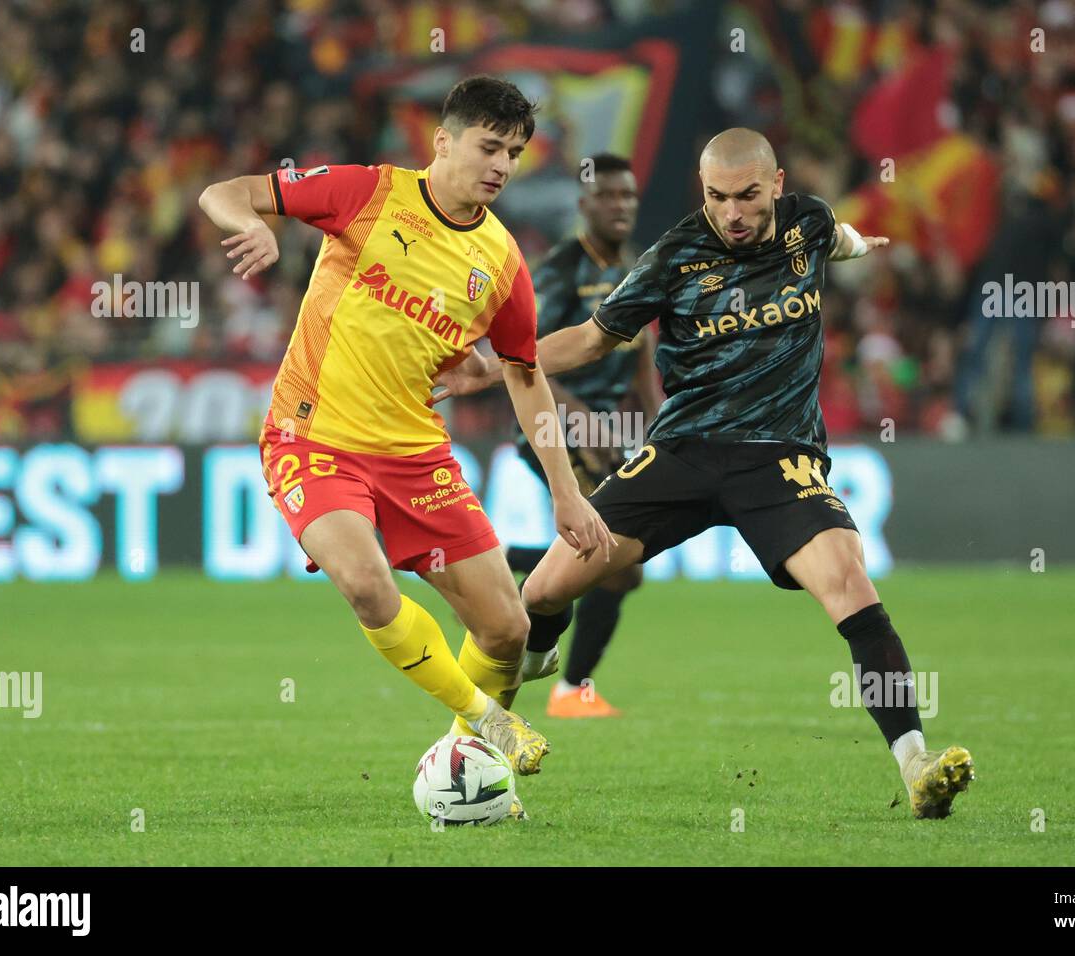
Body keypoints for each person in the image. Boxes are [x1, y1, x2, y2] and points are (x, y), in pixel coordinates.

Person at [435, 128, 975, 819]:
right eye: (718, 197)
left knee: (852, 586)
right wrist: (495, 363)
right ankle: (487, 733)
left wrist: (857, 245)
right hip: (684, 451)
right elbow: (597, 336)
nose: (733, 214)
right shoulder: (674, 257)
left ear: (776, 185)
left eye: (748, 196)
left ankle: (917, 765)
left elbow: (832, 235)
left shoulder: (805, 222)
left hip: (779, 456)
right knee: (539, 594)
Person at [198, 75, 614, 820]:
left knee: (508, 626)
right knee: (364, 583)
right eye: (489, 147)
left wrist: (565, 488)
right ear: (444, 141)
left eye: (515, 153)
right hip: (312, 435)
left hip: (415, 454)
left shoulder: (502, 261)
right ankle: (487, 722)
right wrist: (251, 222)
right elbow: (224, 191)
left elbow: (526, 375)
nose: (501, 166)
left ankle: (464, 769)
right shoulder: (364, 192)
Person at [506, 152, 662, 718]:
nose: (620, 206)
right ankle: (571, 690)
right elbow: (526, 363)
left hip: (609, 434)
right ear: (583, 204)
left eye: (629, 196)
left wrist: (665, 431)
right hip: (553, 429)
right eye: (608, 196)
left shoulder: (637, 272)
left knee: (620, 567)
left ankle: (499, 562)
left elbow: (644, 367)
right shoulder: (559, 271)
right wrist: (583, 422)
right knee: (617, 562)